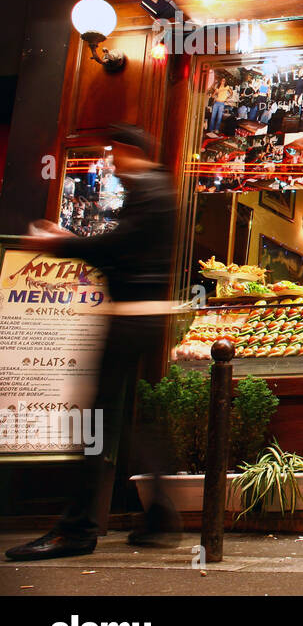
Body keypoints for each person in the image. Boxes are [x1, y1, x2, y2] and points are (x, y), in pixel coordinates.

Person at [6, 125, 179, 562]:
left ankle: (77, 528)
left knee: (96, 419)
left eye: (113, 152)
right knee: (120, 420)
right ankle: (159, 514)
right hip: (139, 316)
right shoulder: (155, 188)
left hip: (130, 318)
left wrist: (59, 241)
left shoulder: (151, 189)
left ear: (127, 150)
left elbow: (121, 246)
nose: (110, 161)